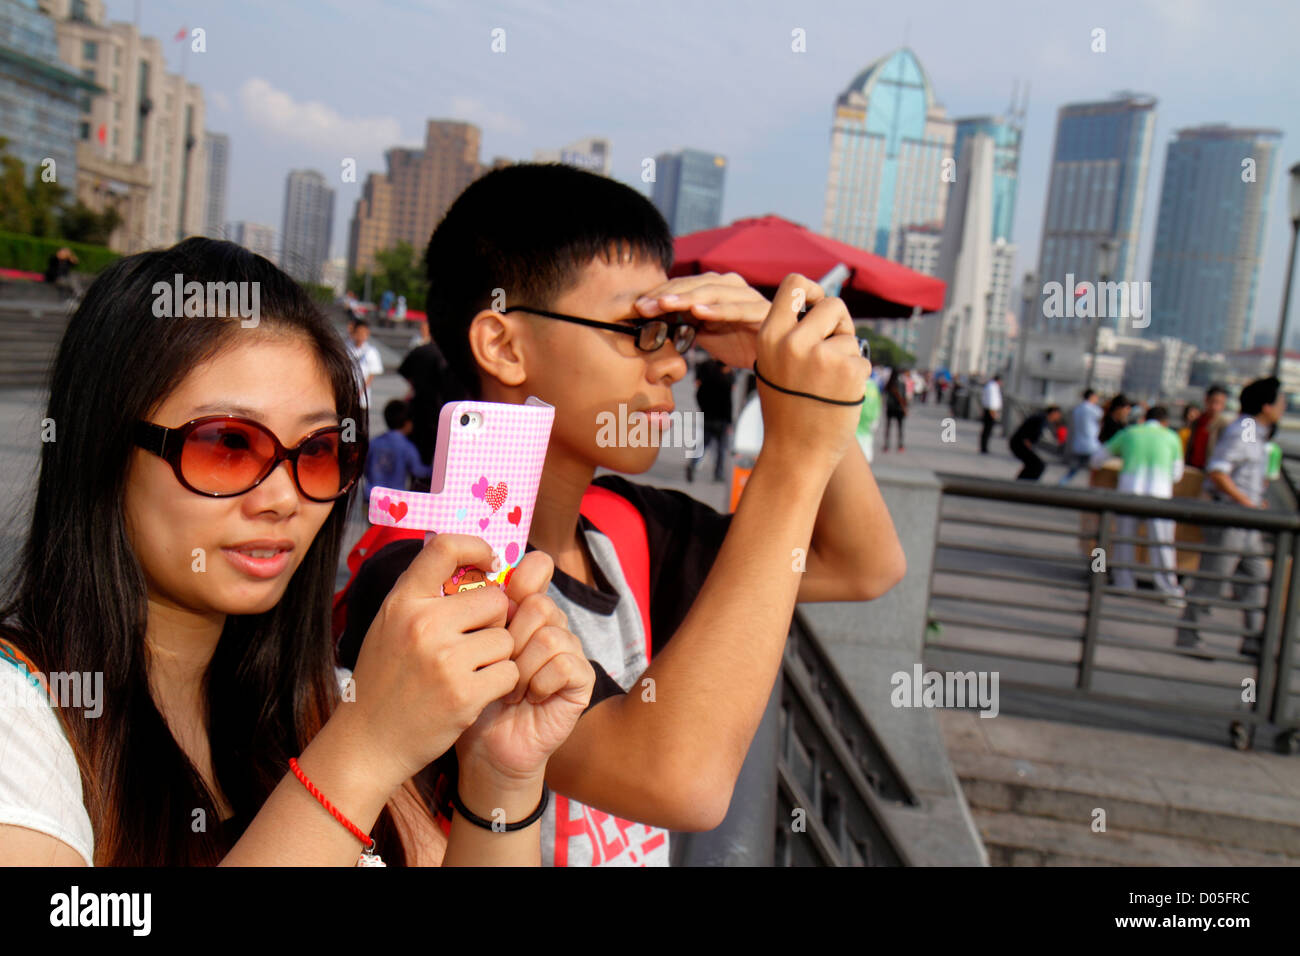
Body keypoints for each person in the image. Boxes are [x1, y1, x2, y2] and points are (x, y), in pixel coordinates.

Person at [338, 162, 906, 867]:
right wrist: (795, 448)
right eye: (641, 329)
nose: (672, 365)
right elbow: (678, 782)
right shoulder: (428, 576)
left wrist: (787, 369)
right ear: (504, 346)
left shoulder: (625, 529)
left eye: (677, 333)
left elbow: (862, 565)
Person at [0, 237, 595, 866]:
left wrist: (501, 777)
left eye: (315, 452)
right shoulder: (22, 722)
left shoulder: (324, 703)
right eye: (228, 444)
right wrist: (364, 752)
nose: (283, 498)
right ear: (103, 448)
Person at [1177, 377, 1287, 660]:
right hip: (1231, 517)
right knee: (1213, 579)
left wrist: (1253, 500)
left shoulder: (1257, 433)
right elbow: (1218, 470)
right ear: (1266, 405)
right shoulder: (1245, 431)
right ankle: (1189, 637)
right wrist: (1246, 501)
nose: (1284, 406)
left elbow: (1241, 473)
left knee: (1256, 576)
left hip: (1246, 519)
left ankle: (1253, 639)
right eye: (1281, 401)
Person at [1090, 405, 1185, 601]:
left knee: (1125, 540)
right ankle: (1168, 589)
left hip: (1129, 493)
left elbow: (1097, 458)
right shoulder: (1172, 437)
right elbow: (1177, 475)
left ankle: (1124, 584)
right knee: (1162, 544)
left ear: (1144, 418)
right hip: (1160, 496)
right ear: (1165, 421)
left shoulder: (1129, 433)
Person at [397, 335, 453, 482]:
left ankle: (415, 479)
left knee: (416, 448)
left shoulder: (419, 350)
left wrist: (415, 385)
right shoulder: (446, 355)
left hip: (416, 407)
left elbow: (403, 370)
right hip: (437, 410)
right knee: (433, 452)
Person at [363, 399, 433, 504]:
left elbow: (364, 467)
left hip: (371, 496)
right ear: (407, 423)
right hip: (394, 500)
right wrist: (433, 469)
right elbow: (418, 471)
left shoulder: (374, 442)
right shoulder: (407, 447)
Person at [686, 356, 735, 483]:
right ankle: (718, 474)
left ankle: (693, 464)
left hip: (708, 417)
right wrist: (729, 422)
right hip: (721, 420)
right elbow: (728, 404)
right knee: (721, 448)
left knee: (704, 444)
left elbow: (699, 394)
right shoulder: (726, 381)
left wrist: (703, 409)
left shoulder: (709, 379)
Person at [1059, 389, 1103, 485]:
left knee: (1074, 469)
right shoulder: (1094, 409)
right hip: (1092, 444)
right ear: (1091, 396)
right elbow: (1102, 417)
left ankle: (1062, 483)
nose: (1097, 399)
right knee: (1098, 469)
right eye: (1096, 397)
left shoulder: (1077, 409)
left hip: (1078, 444)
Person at [1009, 405, 1063, 480]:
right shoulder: (1041, 419)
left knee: (1034, 464)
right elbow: (1029, 431)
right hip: (1019, 444)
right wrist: (1026, 441)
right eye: (1058, 414)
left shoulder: (1042, 418)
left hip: (1018, 443)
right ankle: (1023, 483)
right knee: (1038, 465)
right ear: (1053, 412)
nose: (1058, 417)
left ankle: (1021, 482)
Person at [1185, 384, 1228, 470]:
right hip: (1192, 467)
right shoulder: (1197, 422)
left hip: (1210, 471)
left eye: (1219, 403)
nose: (1215, 407)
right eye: (1213, 401)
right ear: (1206, 400)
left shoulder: (1224, 425)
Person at [345, 317, 384, 410]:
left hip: (362, 397)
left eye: (363, 333)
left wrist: (361, 391)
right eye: (358, 333)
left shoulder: (371, 351)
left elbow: (371, 374)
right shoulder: (347, 348)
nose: (361, 335)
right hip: (347, 392)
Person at [883, 367, 908, 452]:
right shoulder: (902, 383)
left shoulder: (889, 384)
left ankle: (886, 445)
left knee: (888, 427)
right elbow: (904, 397)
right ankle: (900, 445)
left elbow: (884, 393)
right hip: (899, 408)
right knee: (900, 428)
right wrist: (905, 408)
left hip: (890, 408)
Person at [980, 374, 1002, 454]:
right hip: (990, 410)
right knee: (987, 429)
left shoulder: (990, 386)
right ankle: (984, 447)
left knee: (987, 429)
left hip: (989, 410)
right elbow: (991, 401)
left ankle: (984, 446)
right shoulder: (992, 387)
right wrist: (993, 413)